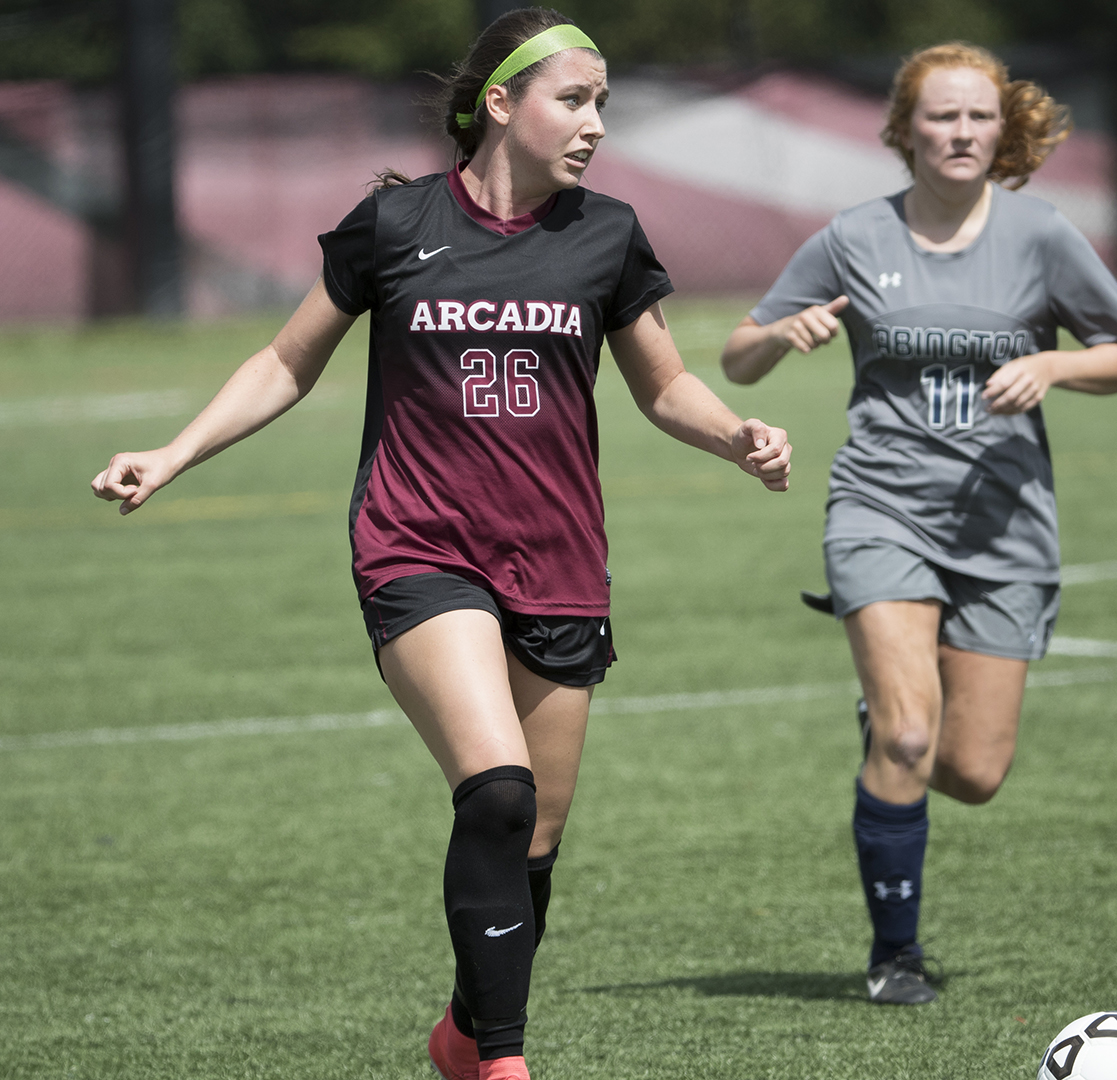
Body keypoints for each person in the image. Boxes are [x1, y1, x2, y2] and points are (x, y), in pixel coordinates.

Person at [92, 10, 792, 1078]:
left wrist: (735, 436)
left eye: (603, 102)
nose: (596, 123)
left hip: (559, 562)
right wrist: (174, 451)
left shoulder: (606, 233)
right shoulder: (393, 224)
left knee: (534, 843)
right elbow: (286, 363)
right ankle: (505, 1065)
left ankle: (464, 1037)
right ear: (501, 105)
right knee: (497, 791)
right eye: (575, 98)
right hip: (419, 549)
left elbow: (666, 385)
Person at [719, 42, 1117, 1004]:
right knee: (912, 741)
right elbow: (736, 357)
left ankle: (886, 718)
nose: (961, 133)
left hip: (1006, 525)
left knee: (972, 769)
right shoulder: (853, 237)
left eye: (978, 117)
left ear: (1003, 130)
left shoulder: (1042, 236)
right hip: (881, 511)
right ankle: (895, 957)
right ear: (904, 130)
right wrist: (781, 337)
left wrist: (1057, 366)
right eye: (942, 117)